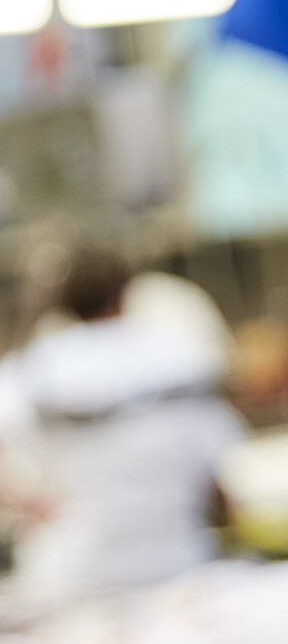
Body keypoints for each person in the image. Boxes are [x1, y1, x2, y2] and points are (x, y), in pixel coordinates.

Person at [0, 244, 244, 609]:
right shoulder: (179, 356)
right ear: (127, 291)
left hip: (72, 576)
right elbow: (217, 476)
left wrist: (27, 503)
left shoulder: (39, 370)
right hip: (179, 567)